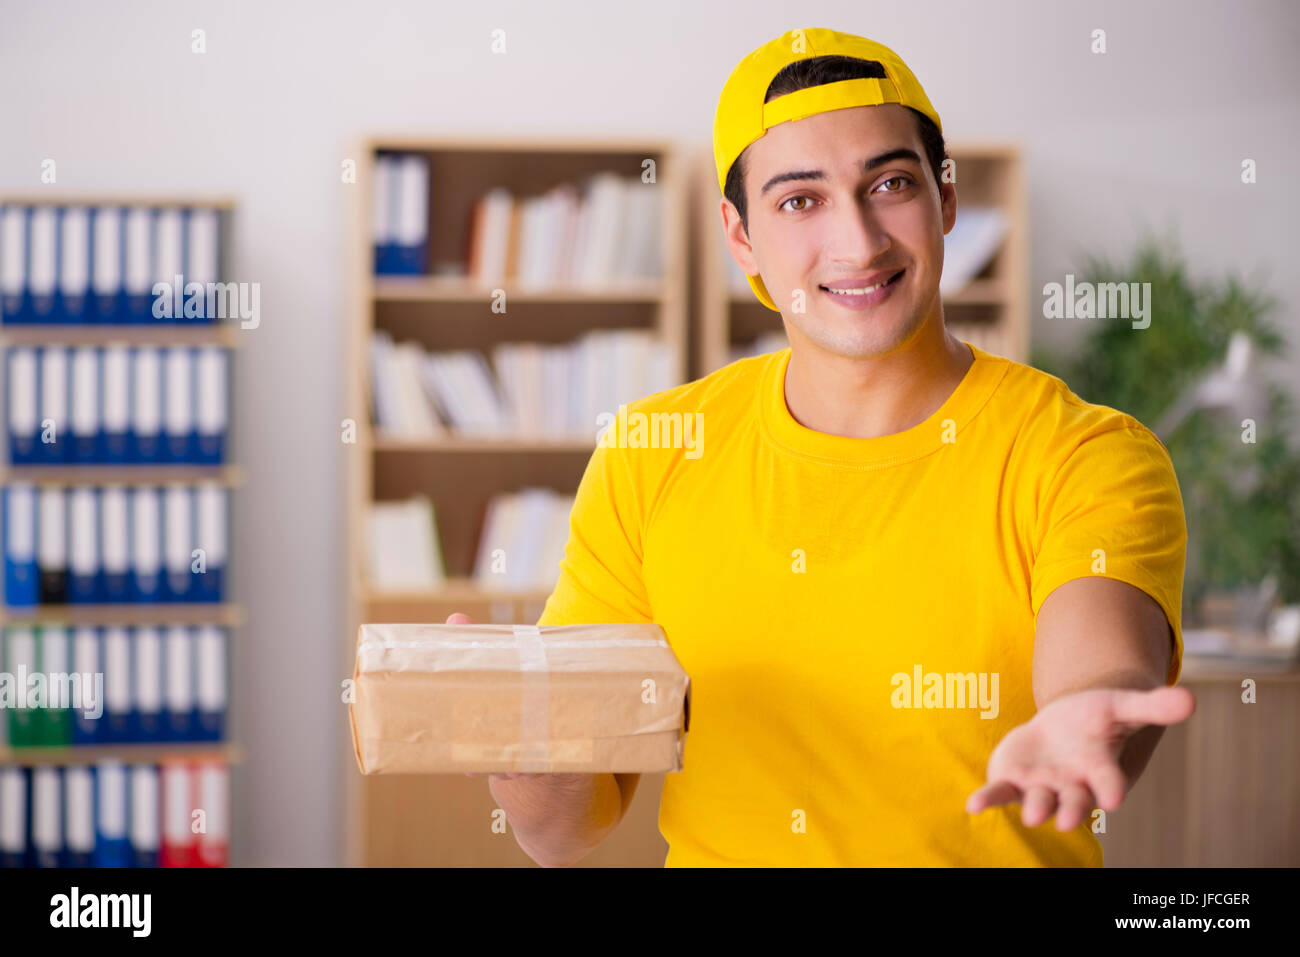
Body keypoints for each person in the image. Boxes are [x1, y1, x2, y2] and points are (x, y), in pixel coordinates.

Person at [463, 27, 1194, 867]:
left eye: (888, 184)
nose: (859, 241)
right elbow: (564, 830)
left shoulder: (1086, 453)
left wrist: (1091, 719)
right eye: (800, 200)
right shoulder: (650, 452)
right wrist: (520, 748)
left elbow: (1100, 668)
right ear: (742, 239)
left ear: (946, 198)